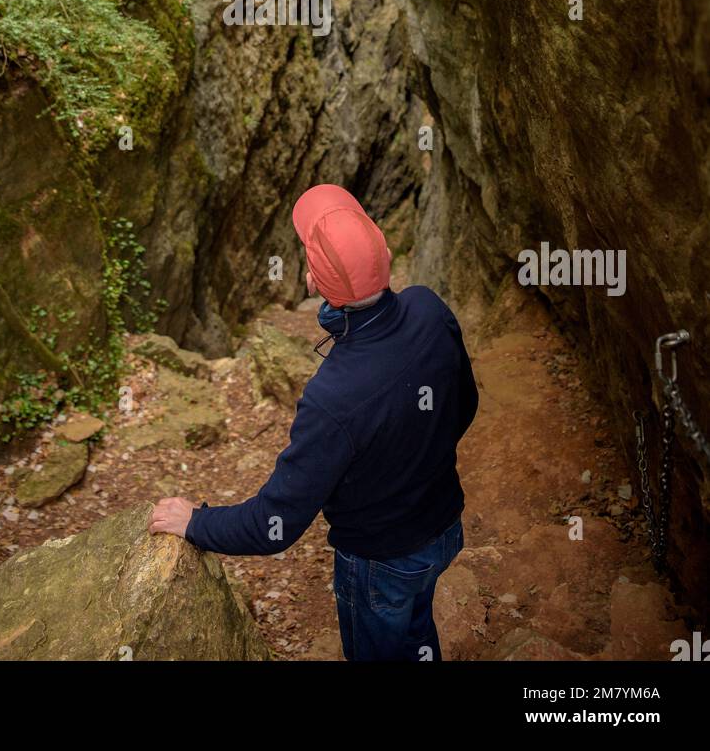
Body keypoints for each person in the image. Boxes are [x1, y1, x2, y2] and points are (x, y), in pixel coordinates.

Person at [149, 183, 479, 661]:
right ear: (384, 250)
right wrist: (415, 460)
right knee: (415, 624)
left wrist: (196, 523)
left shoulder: (333, 397)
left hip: (381, 561)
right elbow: (463, 406)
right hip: (444, 526)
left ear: (313, 281)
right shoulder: (430, 308)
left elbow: (275, 526)